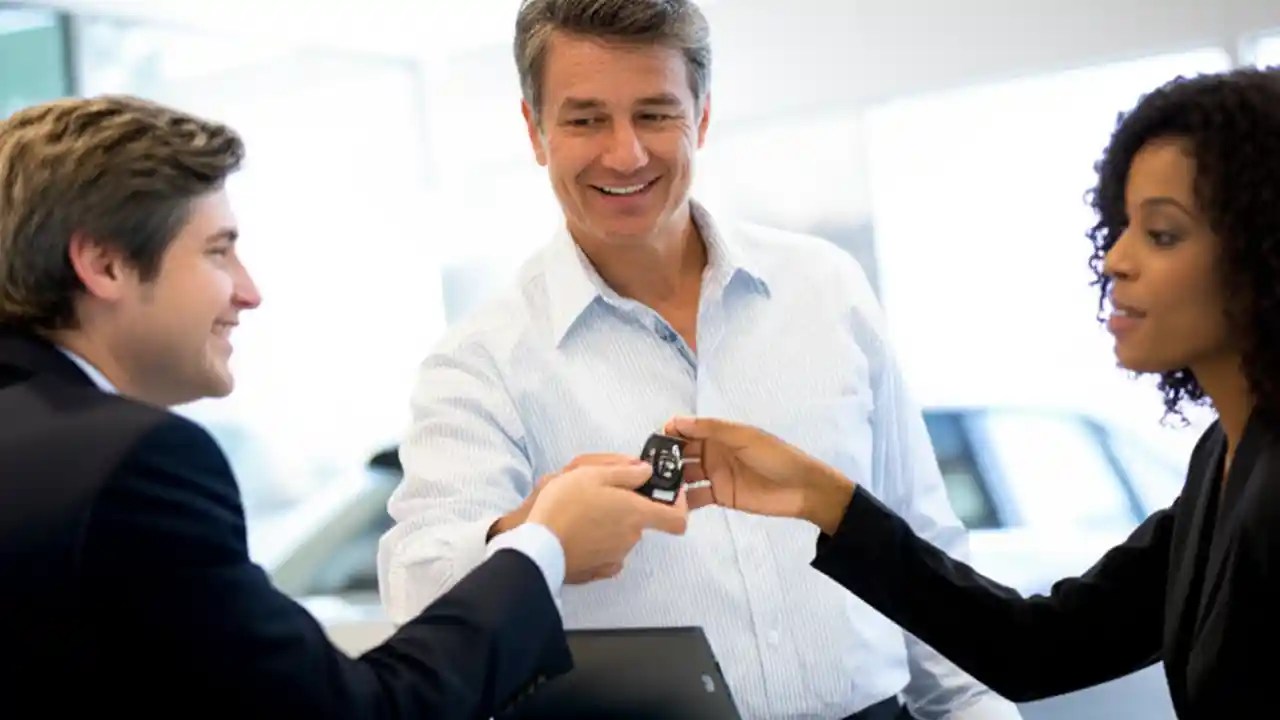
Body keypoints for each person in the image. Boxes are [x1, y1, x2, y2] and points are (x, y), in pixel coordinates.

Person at [376, 1, 1019, 718]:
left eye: (655, 114)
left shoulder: (826, 291)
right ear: (535, 131)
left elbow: (923, 547)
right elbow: (416, 589)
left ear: (703, 117)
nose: (625, 155)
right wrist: (538, 537)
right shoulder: (480, 361)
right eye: (586, 119)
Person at [0, 95, 688, 717]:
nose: (249, 292)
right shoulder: (132, 464)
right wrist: (547, 546)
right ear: (106, 265)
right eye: (218, 252)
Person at [662, 66, 1280, 720]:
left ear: (1259, 248)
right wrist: (825, 500)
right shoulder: (1224, 455)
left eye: (1162, 234)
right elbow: (1038, 647)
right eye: (1122, 226)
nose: (1115, 259)